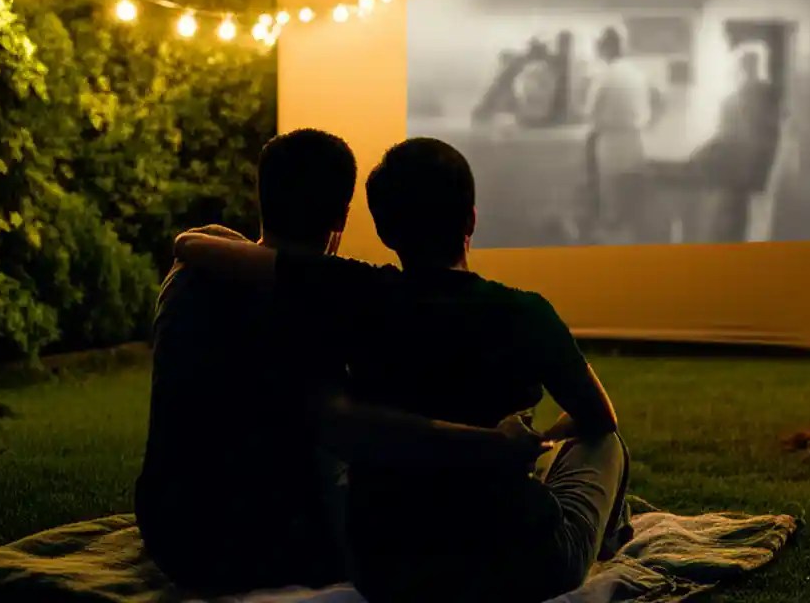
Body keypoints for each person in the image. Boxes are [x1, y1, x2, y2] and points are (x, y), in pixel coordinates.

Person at [175, 138, 632, 603]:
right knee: (607, 444)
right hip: (525, 565)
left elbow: (192, 246)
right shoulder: (528, 313)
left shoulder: (351, 290)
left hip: (388, 568)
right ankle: (611, 535)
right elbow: (600, 417)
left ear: (385, 230)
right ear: (471, 219)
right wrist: (532, 442)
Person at [692, 49, 781, 242]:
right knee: (742, 214)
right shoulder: (766, 95)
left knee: (733, 213)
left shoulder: (739, 99)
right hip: (754, 166)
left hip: (740, 166)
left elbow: (728, 133)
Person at [584, 27, 652, 241]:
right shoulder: (638, 74)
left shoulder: (604, 76)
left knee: (611, 205)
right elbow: (647, 112)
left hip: (611, 145)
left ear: (606, 48)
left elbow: (591, 112)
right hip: (636, 144)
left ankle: (613, 244)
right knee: (632, 206)